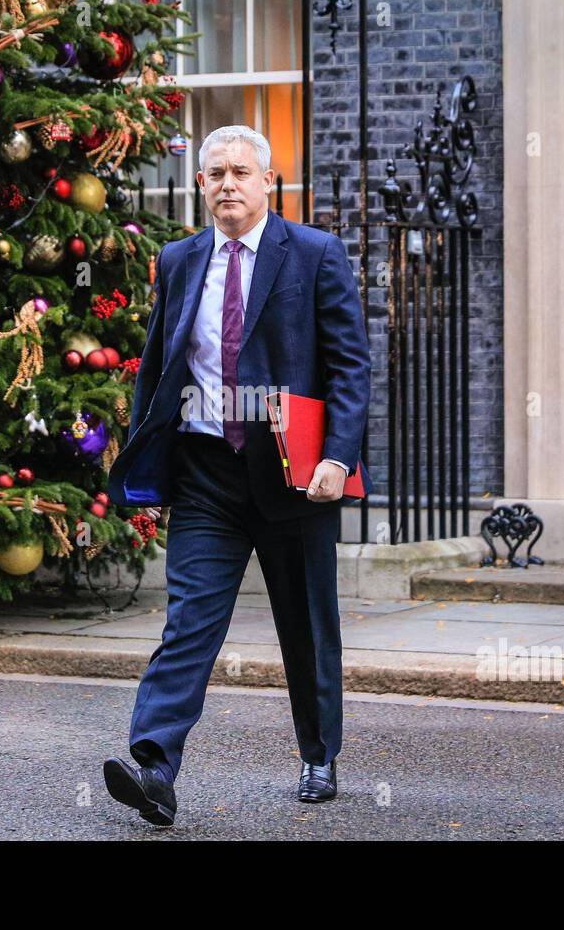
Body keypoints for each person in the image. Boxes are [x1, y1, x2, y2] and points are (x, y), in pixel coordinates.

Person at [103, 125, 372, 826]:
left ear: (267, 180)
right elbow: (159, 368)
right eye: (215, 172)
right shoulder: (179, 259)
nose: (228, 183)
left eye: (240, 171)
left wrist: (337, 459)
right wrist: (148, 465)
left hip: (294, 475)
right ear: (201, 185)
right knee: (189, 620)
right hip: (206, 475)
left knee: (306, 625)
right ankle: (154, 766)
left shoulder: (313, 254)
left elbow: (350, 367)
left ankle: (318, 751)